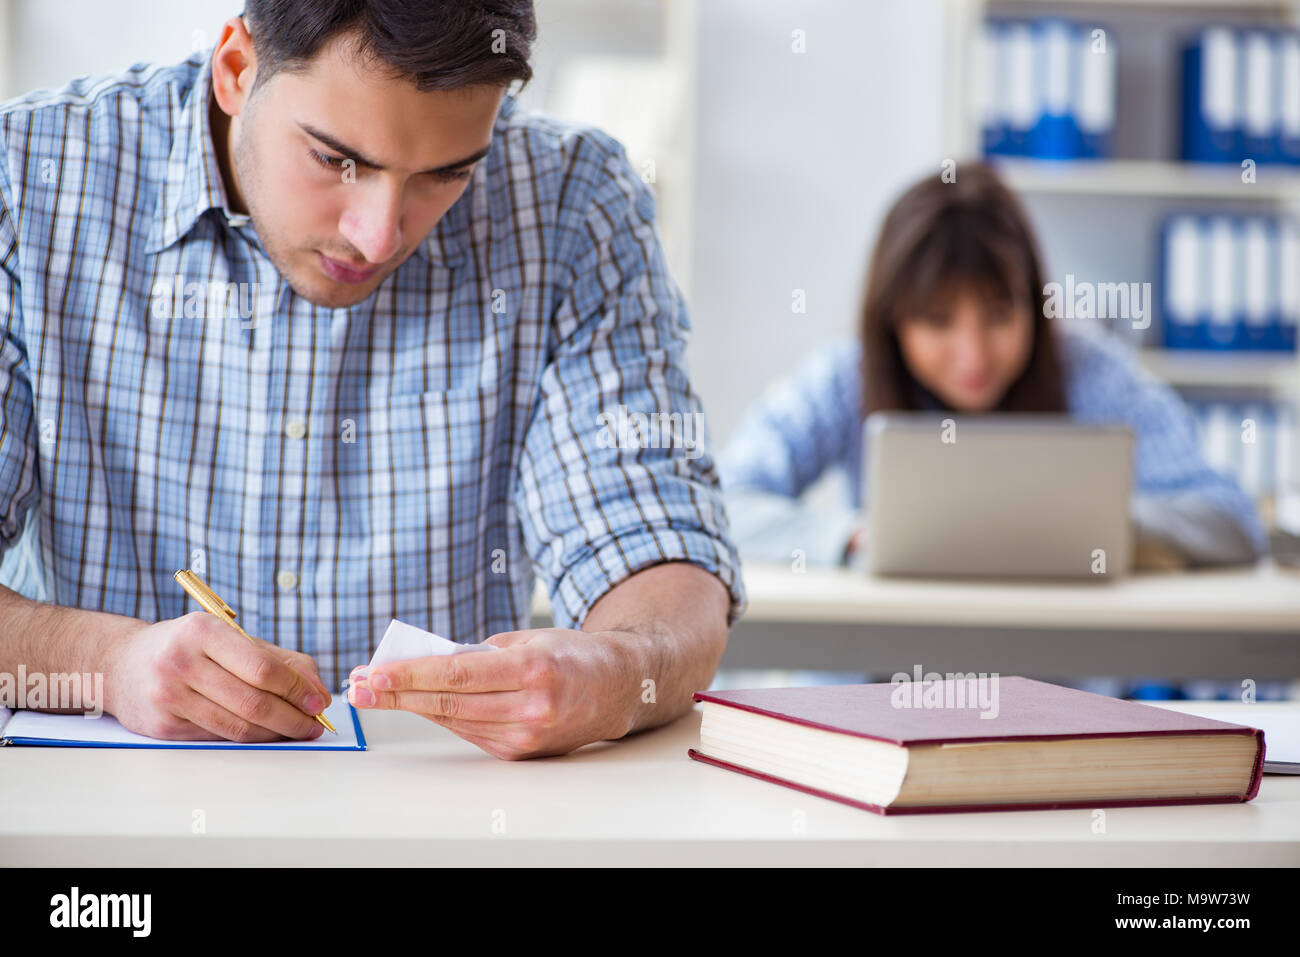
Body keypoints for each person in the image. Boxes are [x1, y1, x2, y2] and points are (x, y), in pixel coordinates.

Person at [0, 1, 744, 759]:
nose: (380, 234)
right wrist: (103, 665)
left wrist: (614, 670)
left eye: (445, 174)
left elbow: (652, 539)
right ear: (235, 68)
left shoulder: (573, 203)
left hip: (445, 827)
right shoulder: (29, 179)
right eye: (335, 160)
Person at [720, 162, 1267, 570]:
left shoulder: (1091, 370)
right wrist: (851, 537)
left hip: (1056, 701)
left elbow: (1233, 522)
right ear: (894, 321)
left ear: (1033, 303)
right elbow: (719, 505)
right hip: (878, 692)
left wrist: (1104, 522)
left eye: (999, 315)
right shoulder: (846, 376)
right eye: (937, 322)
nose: (973, 355)